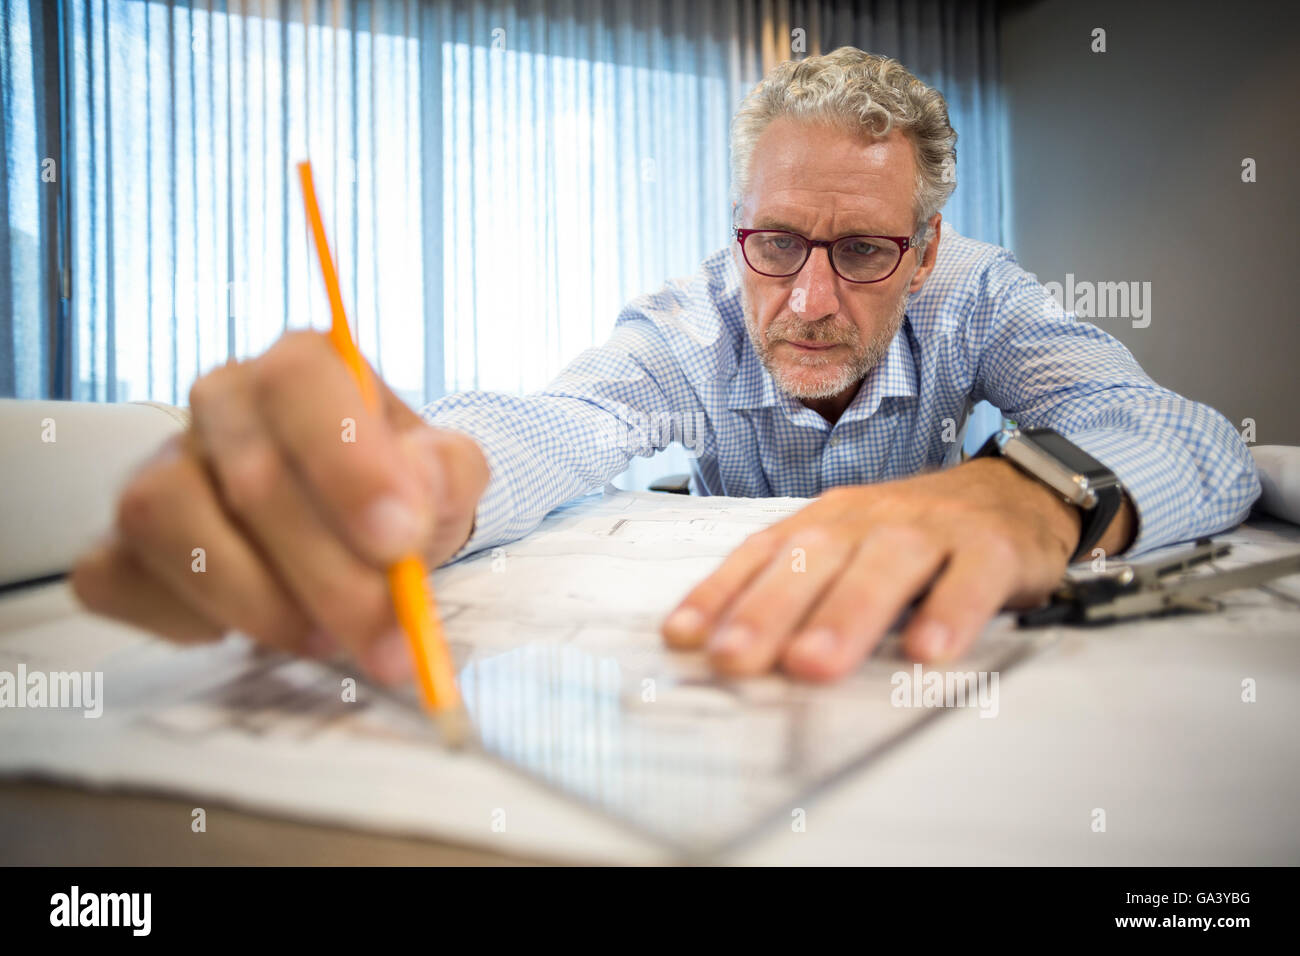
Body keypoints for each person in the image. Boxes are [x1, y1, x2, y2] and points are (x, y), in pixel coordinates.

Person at [72, 48, 1260, 687]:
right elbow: (567, 418)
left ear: (925, 249)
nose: (805, 299)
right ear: (737, 225)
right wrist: (437, 468)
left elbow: (1191, 435)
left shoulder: (978, 294)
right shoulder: (689, 319)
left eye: (860, 251)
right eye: (775, 242)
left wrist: (1024, 489)